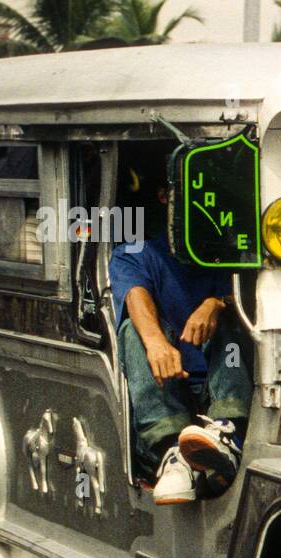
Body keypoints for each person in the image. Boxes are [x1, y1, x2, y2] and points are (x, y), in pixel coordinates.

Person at [108, 161, 253, 505]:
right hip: (167, 397)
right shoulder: (135, 251)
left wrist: (217, 304)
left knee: (231, 322)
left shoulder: (228, 252)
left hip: (219, 397)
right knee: (134, 330)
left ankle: (225, 434)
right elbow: (136, 296)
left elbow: (250, 295)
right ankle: (171, 450)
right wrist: (157, 342)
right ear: (164, 197)